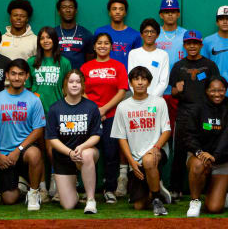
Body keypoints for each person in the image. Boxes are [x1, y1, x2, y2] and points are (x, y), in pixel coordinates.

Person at [0, 58, 47, 209]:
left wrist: (19, 150)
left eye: (21, 74)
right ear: (7, 75)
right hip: (5, 156)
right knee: (9, 199)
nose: (17, 78)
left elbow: (38, 129)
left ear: (27, 77)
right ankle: (21, 183)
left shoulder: (34, 100)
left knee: (35, 154)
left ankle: (34, 193)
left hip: (24, 153)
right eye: (13, 74)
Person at [112, 66, 172, 215]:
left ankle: (157, 200)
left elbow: (166, 131)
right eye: (136, 79)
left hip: (157, 152)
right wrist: (131, 162)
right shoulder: (123, 107)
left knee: (149, 160)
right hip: (136, 160)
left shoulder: (159, 102)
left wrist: (156, 147)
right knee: (139, 205)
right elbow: (121, 138)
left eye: (143, 79)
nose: (140, 82)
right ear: (130, 83)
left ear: (149, 83)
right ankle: (155, 186)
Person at [168, 30, 219, 198]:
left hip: (205, 113)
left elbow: (216, 88)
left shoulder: (210, 65)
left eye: (195, 43)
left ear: (200, 45)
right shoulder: (178, 66)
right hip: (185, 113)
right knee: (180, 151)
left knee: (207, 149)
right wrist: (177, 90)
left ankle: (208, 188)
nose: (192, 46)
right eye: (189, 43)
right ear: (184, 45)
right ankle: (176, 188)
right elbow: (173, 91)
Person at [45, 69, 103, 213]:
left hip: (85, 153)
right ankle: (74, 192)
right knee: (69, 205)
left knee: (86, 154)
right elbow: (52, 138)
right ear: (65, 85)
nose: (75, 85)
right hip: (64, 157)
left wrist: (81, 147)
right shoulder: (55, 108)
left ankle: (90, 200)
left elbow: (96, 135)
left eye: (78, 82)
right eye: (71, 82)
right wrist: (70, 153)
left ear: (83, 85)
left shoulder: (91, 107)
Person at [181, 76, 228, 217]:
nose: (217, 94)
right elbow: (188, 134)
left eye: (221, 90)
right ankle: (195, 201)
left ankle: (219, 193)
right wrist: (200, 152)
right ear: (206, 91)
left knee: (214, 208)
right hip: (199, 155)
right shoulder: (197, 107)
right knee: (199, 165)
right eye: (213, 90)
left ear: (225, 90)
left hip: (222, 160)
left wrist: (215, 156)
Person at [83, 32, 130, 203]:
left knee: (111, 153)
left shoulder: (118, 66)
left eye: (106, 43)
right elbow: (81, 91)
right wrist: (96, 110)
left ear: (111, 46)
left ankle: (109, 189)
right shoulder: (86, 67)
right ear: (94, 47)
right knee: (88, 153)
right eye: (99, 43)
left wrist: (104, 109)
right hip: (91, 116)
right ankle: (89, 190)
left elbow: (122, 90)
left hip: (112, 116)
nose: (102, 46)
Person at [27, 26, 72, 200]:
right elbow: (28, 88)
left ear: (55, 40)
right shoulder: (32, 62)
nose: (46, 41)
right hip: (37, 112)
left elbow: (68, 87)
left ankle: (57, 182)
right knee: (39, 150)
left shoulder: (64, 62)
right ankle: (42, 187)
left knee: (54, 150)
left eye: (49, 38)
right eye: (42, 38)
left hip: (58, 111)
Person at [94, 0, 142, 68]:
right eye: (114, 9)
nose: (117, 12)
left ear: (125, 13)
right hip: (103, 75)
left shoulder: (135, 34)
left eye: (121, 9)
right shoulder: (100, 31)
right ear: (109, 12)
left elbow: (137, 59)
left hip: (125, 76)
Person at [128, 18, 171, 98]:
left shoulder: (163, 55)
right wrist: (140, 96)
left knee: (152, 111)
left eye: (152, 32)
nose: (149, 34)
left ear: (157, 35)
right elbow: (130, 78)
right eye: (146, 32)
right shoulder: (133, 54)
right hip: (137, 99)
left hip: (156, 99)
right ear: (141, 34)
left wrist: (150, 98)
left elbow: (163, 82)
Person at [156, 0, 188, 95]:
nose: (170, 14)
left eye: (173, 12)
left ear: (178, 14)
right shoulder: (153, 34)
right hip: (157, 88)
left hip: (180, 88)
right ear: (161, 15)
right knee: (153, 110)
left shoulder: (186, 34)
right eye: (166, 12)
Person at [54, 0, 93, 70]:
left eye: (71, 7)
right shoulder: (52, 33)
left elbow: (90, 60)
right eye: (64, 7)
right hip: (58, 78)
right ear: (59, 11)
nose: (68, 10)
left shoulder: (86, 34)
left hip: (79, 78)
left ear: (76, 10)